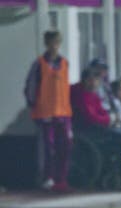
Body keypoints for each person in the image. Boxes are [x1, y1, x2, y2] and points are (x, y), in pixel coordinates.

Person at [24, 30, 73, 192]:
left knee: (65, 146)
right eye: (51, 42)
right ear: (46, 44)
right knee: (48, 148)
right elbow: (30, 87)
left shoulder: (64, 63)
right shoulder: (39, 64)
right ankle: (47, 178)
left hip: (63, 113)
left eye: (57, 42)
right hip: (45, 113)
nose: (54, 46)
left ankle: (61, 178)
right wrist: (34, 105)